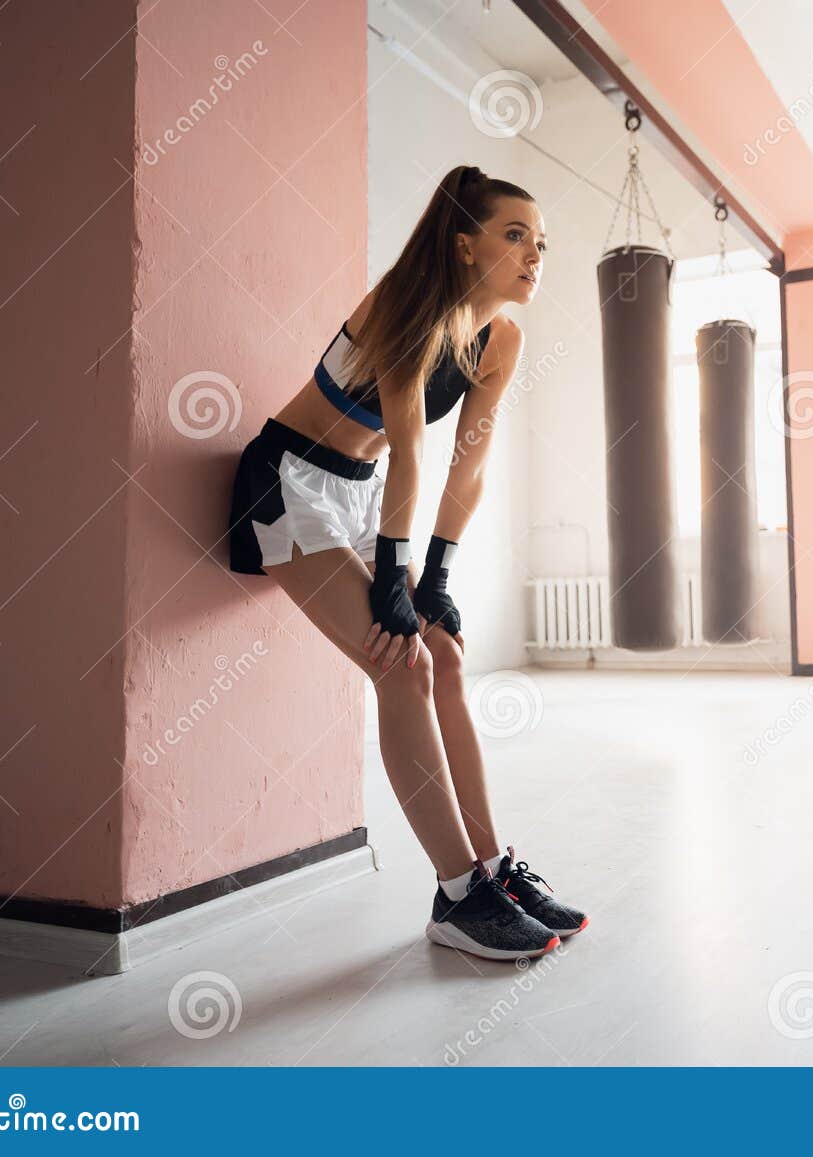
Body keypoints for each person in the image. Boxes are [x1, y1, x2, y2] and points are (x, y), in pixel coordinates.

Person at [226, 165, 585, 961]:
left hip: (360, 492)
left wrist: (438, 575)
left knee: (445, 654)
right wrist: (395, 574)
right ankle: (457, 895)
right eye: (516, 236)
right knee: (403, 668)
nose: (535, 256)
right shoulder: (407, 305)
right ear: (465, 246)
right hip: (290, 481)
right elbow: (414, 449)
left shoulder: (503, 338)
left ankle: (493, 867)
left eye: (542, 243)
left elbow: (471, 465)